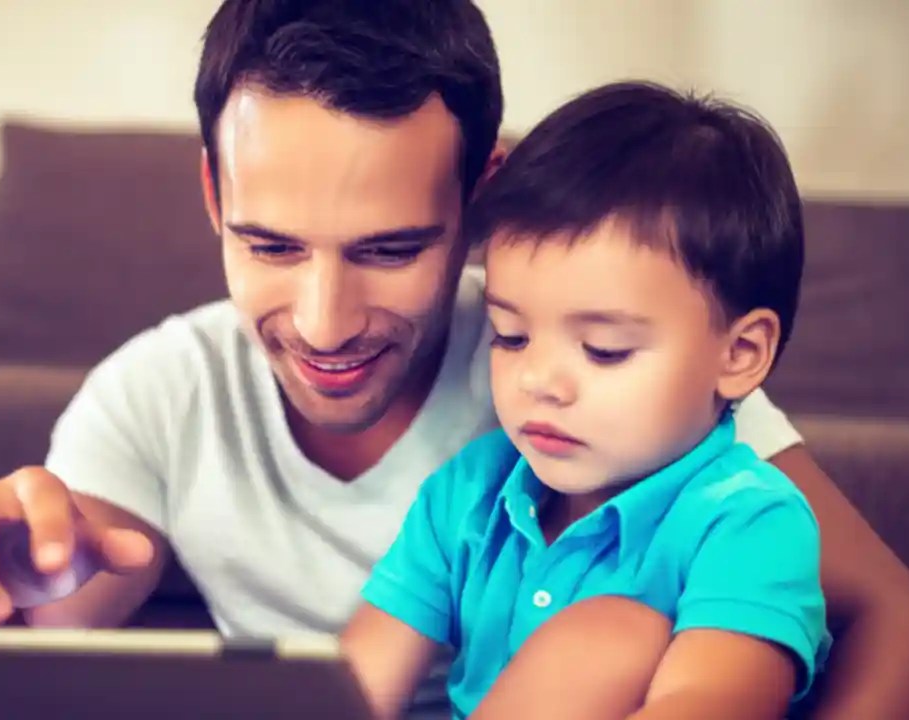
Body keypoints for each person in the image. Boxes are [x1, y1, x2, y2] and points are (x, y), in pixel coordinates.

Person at [0, 2, 909, 719]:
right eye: (268, 243)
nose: (321, 322)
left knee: (610, 629)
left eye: (387, 247)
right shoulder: (162, 390)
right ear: (210, 192)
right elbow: (59, 641)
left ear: (479, 201)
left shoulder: (623, 374)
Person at [341, 81, 830, 720]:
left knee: (613, 635)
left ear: (739, 355)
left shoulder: (750, 523)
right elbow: (353, 689)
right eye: (510, 336)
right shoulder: (470, 492)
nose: (539, 380)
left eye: (603, 349)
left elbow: (712, 704)